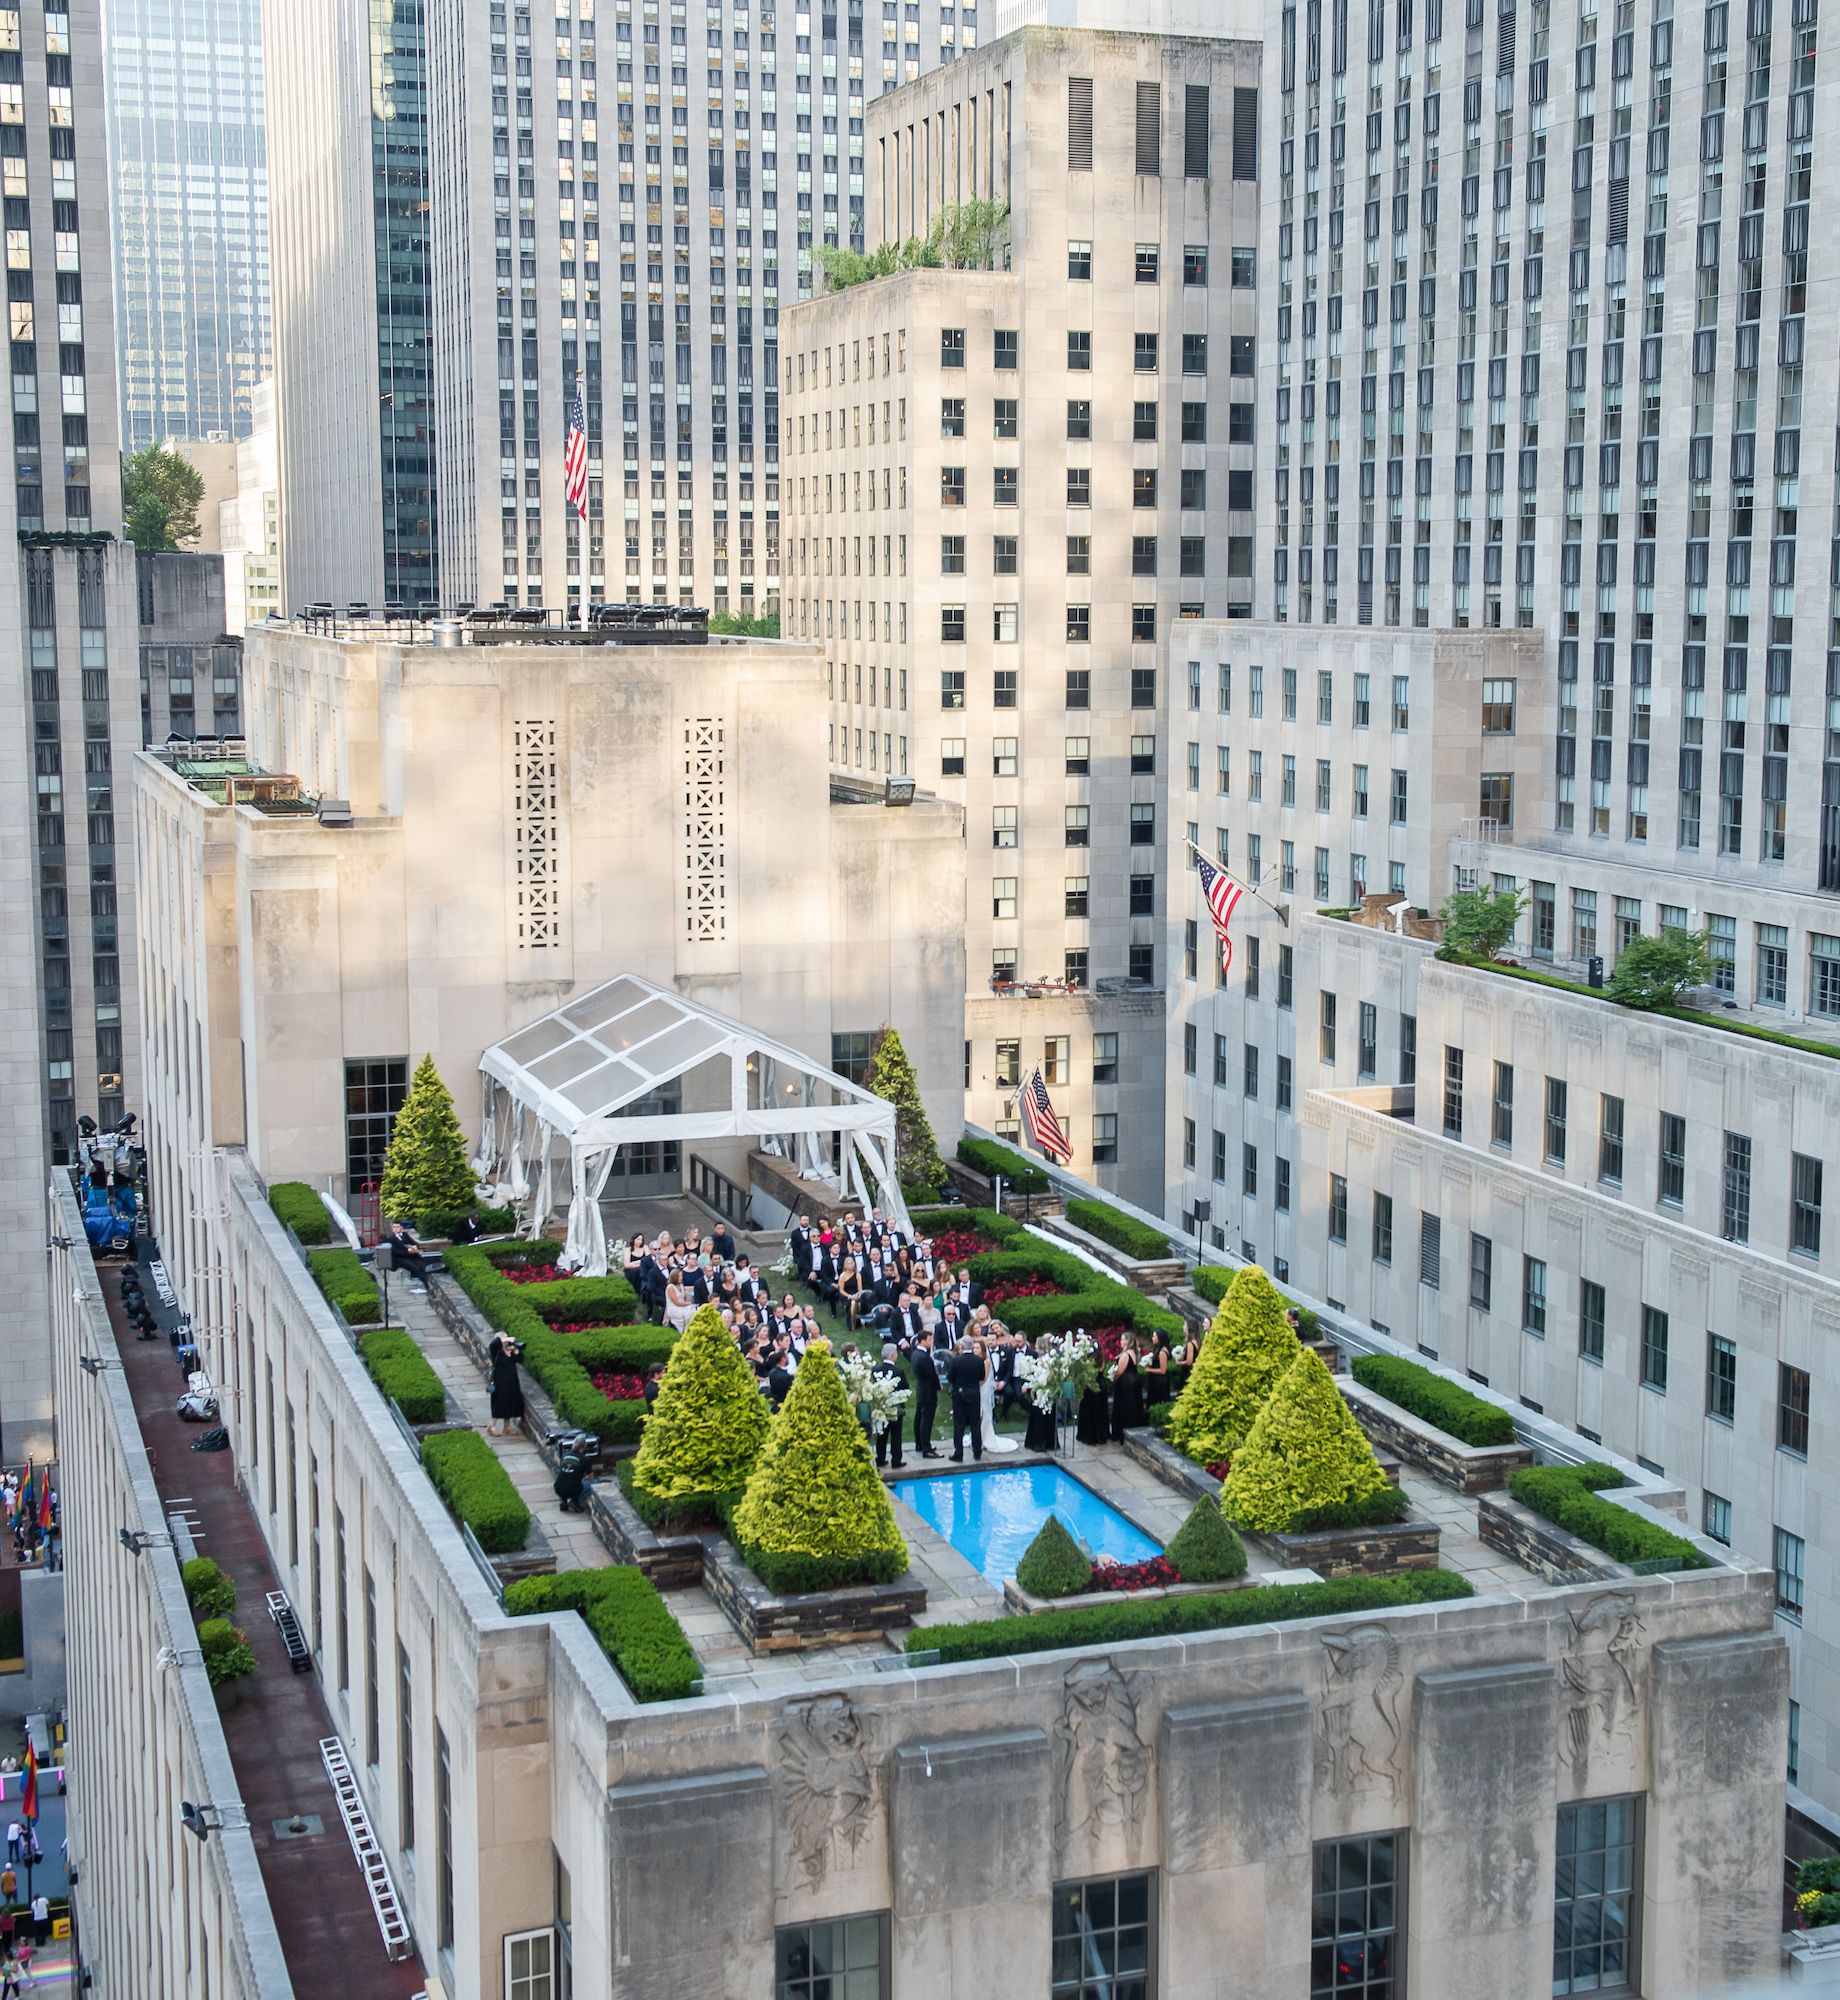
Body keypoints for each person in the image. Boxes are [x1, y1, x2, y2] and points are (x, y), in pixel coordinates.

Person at [945, 1339, 987, 1462]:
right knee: (975, 1425)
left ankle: (958, 1453)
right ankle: (977, 1452)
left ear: (961, 1347)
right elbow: (981, 1376)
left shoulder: (955, 1361)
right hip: (974, 1395)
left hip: (959, 1396)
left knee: (959, 1425)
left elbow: (950, 1377)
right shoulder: (979, 1361)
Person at [872, 1343, 907, 1469]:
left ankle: (880, 1458)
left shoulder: (876, 1369)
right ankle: (896, 1459)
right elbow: (905, 1388)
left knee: (882, 1433)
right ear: (892, 1355)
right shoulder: (899, 1371)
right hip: (895, 1407)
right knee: (896, 1434)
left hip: (881, 1407)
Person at [1023, 1336, 1060, 1454]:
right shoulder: (1049, 1359)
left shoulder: (1044, 1361)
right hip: (1044, 1392)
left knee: (1040, 1417)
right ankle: (1048, 1442)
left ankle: (1039, 1442)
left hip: (1043, 1392)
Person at [1074, 1335, 1111, 1447]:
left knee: (1088, 1411)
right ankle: (1101, 1434)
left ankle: (1088, 1435)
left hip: (1091, 1387)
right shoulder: (1102, 1359)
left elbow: (1086, 1373)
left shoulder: (1088, 1361)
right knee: (1100, 1411)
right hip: (1101, 1386)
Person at [486, 1334, 525, 1437]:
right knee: (499, 1402)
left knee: (509, 1402)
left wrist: (515, 1350)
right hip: (500, 1382)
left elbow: (521, 1359)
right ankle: (492, 1426)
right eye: (503, 1339)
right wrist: (502, 1338)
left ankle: (506, 1426)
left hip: (512, 1381)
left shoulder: (511, 1351)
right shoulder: (496, 1352)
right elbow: (493, 1345)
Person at [1109, 1334, 1147, 1440]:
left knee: (1125, 1406)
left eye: (1123, 1339)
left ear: (1128, 1341)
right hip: (1135, 1380)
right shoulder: (1135, 1352)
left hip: (1126, 1383)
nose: (1120, 1341)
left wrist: (1113, 1375)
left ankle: (1121, 1432)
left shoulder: (1126, 1355)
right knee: (1133, 1405)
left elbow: (1120, 1371)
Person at [907, 1339, 941, 1457]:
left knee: (919, 1417)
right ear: (923, 1341)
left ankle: (919, 1444)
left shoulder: (915, 1353)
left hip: (921, 1391)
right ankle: (926, 1448)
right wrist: (938, 1386)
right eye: (930, 1339)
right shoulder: (925, 1357)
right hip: (928, 1392)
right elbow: (932, 1375)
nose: (931, 1341)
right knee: (926, 1420)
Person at [383, 1218, 430, 1292]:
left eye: (397, 1227)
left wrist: (414, 1247)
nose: (395, 1229)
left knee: (423, 1265)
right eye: (394, 1227)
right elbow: (395, 1252)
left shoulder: (405, 1235)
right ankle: (427, 1285)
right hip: (400, 1259)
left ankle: (427, 1281)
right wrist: (408, 1251)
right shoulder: (390, 1239)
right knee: (416, 1268)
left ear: (401, 1228)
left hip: (411, 1256)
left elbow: (412, 1243)